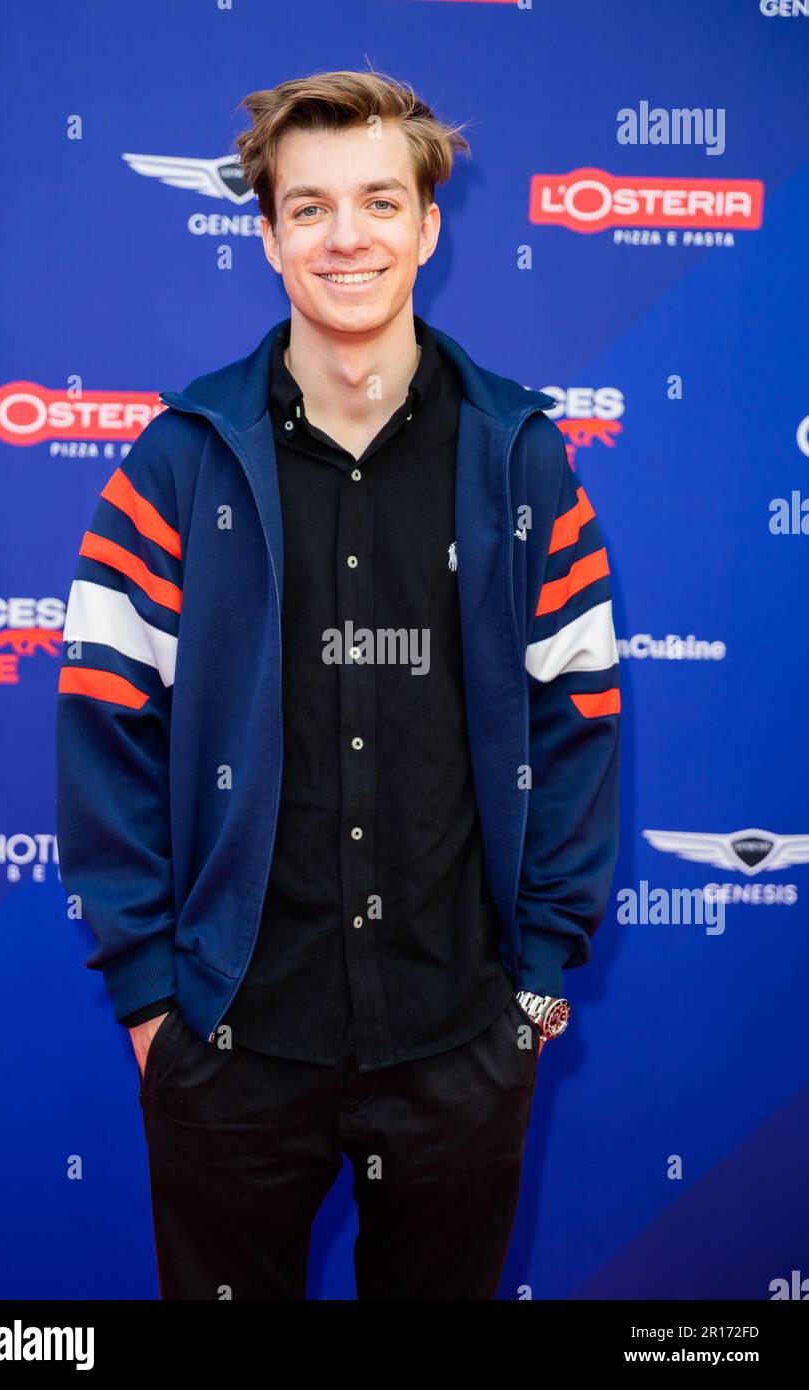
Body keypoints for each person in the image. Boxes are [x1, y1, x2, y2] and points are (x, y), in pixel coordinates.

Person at [56, 68, 620, 1300]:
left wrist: (533, 978)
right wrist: (152, 999)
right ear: (264, 236)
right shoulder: (178, 459)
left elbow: (576, 713)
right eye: (308, 208)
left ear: (427, 225)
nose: (346, 236)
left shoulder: (519, 456)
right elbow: (105, 727)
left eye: (378, 200)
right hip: (228, 1044)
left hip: (458, 1038)